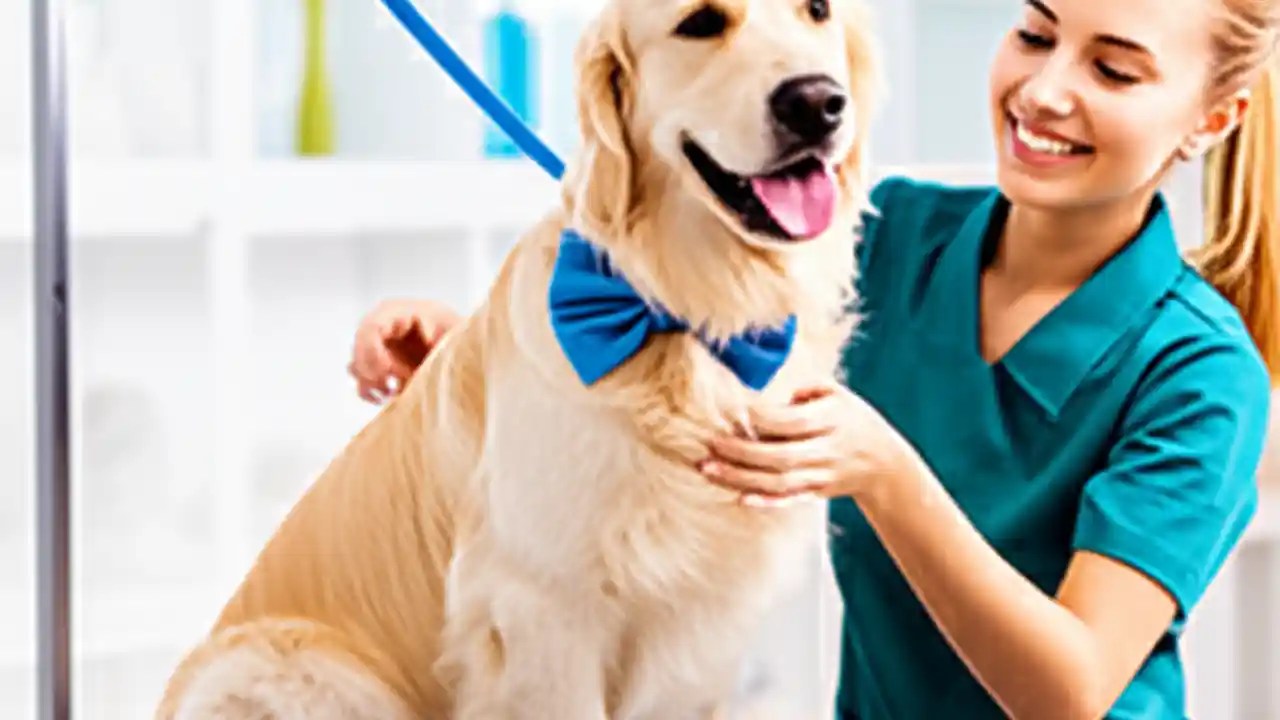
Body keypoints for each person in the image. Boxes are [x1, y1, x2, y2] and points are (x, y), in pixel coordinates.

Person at [346, 0, 1280, 715]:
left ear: (1214, 118)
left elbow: (1068, 692)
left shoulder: (1204, 374)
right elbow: (669, 294)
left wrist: (886, 474)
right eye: (1036, 35)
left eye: (1115, 71)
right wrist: (472, 352)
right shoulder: (891, 238)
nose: (1043, 90)